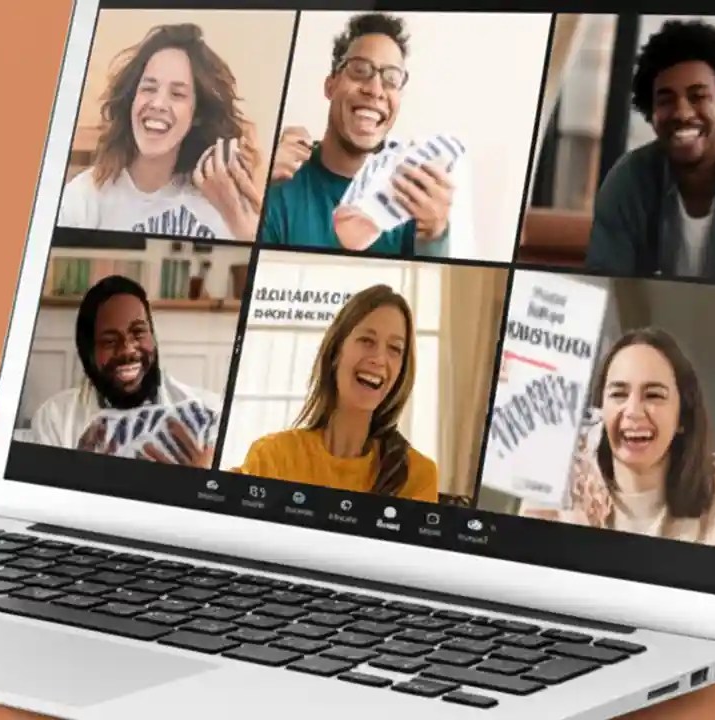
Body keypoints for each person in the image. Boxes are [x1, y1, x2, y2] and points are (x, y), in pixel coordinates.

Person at [585, 20, 715, 288]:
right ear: (652, 114)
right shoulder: (628, 182)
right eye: (666, 100)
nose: (682, 113)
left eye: (698, 97)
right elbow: (602, 288)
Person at [259, 12, 474, 259]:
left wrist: (435, 237)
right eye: (360, 70)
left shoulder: (413, 196)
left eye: (391, 79)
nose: (375, 89)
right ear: (331, 85)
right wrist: (256, 186)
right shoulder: (281, 185)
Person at [519, 327, 715, 547]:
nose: (633, 411)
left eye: (653, 395)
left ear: (682, 416)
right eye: (618, 394)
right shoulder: (560, 489)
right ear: (600, 412)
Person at [58, 23, 264, 242]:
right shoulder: (83, 200)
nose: (157, 103)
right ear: (131, 101)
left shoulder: (220, 200)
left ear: (197, 115)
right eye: (148, 88)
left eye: (177, 94)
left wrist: (238, 218)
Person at [234, 284, 439, 502]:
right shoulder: (272, 457)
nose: (379, 359)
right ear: (335, 353)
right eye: (367, 341)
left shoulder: (418, 475)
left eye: (395, 349)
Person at [30, 275, 220, 466]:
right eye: (110, 341)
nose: (128, 350)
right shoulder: (54, 418)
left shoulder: (208, 413)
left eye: (138, 332)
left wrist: (198, 484)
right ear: (87, 352)